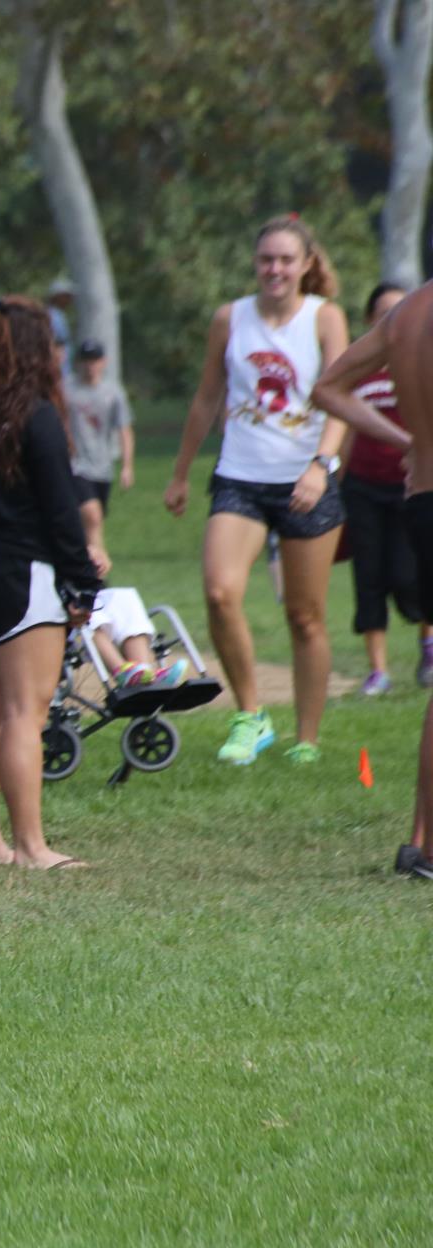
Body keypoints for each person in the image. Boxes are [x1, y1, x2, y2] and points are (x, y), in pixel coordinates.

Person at [165, 214, 348, 765]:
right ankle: (251, 716)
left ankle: (307, 739)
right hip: (240, 477)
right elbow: (205, 399)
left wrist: (321, 465)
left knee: (305, 615)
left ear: (306, 264)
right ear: (255, 262)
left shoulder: (325, 318)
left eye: (286, 259)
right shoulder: (231, 318)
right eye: (266, 259)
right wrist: (179, 472)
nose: (275, 269)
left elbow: (339, 397)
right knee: (220, 593)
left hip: (306, 482)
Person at [0, 297, 102, 869]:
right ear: (38, 352)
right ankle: (31, 847)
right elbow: (62, 512)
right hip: (23, 572)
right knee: (23, 714)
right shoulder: (36, 416)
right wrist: (84, 584)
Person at [311, 282, 433, 878]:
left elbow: (327, 388)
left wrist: (410, 441)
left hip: (421, 497)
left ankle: (422, 846)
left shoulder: (406, 313)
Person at [332, 284, 429, 695]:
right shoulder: (364, 373)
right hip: (366, 486)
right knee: (369, 577)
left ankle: (427, 645)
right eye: (386, 312)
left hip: (413, 487)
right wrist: (335, 481)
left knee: (411, 577)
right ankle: (378, 670)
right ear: (375, 321)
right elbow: (345, 425)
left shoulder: (419, 359)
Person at [65, 338, 136, 574]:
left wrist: (127, 466)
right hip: (75, 465)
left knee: (91, 524)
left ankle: (87, 569)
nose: (90, 366)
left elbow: (124, 429)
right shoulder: (67, 390)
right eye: (85, 361)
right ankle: (98, 571)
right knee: (92, 516)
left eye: (94, 360)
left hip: (102, 467)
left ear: (103, 362)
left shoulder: (112, 393)